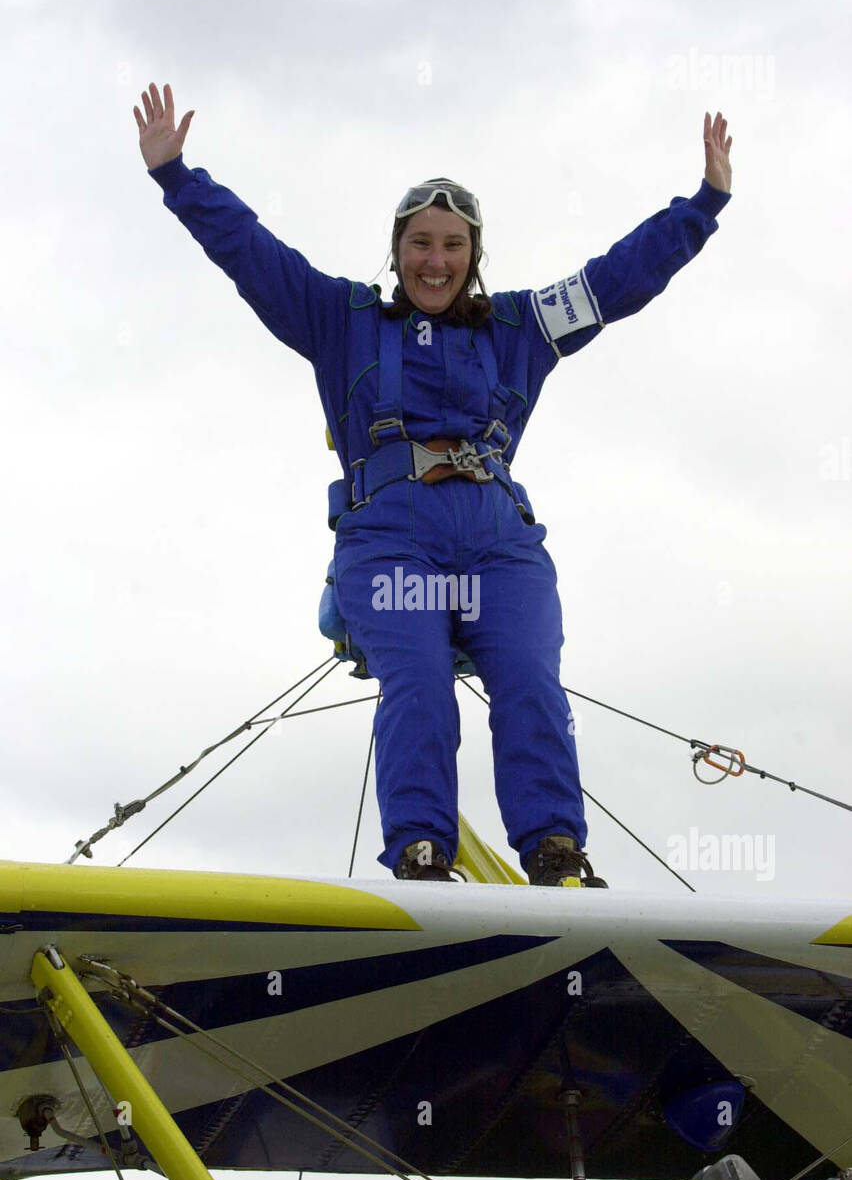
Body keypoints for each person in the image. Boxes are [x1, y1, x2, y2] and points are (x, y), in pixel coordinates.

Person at [134, 83, 732, 887]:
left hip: (498, 546)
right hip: (392, 545)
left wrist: (706, 202)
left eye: (453, 245)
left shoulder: (523, 327)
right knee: (418, 685)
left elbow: (618, 278)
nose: (435, 261)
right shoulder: (340, 319)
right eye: (420, 243)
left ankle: (556, 853)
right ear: (397, 251)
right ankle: (421, 852)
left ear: (473, 255)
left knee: (530, 680)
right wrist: (177, 177)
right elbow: (253, 252)